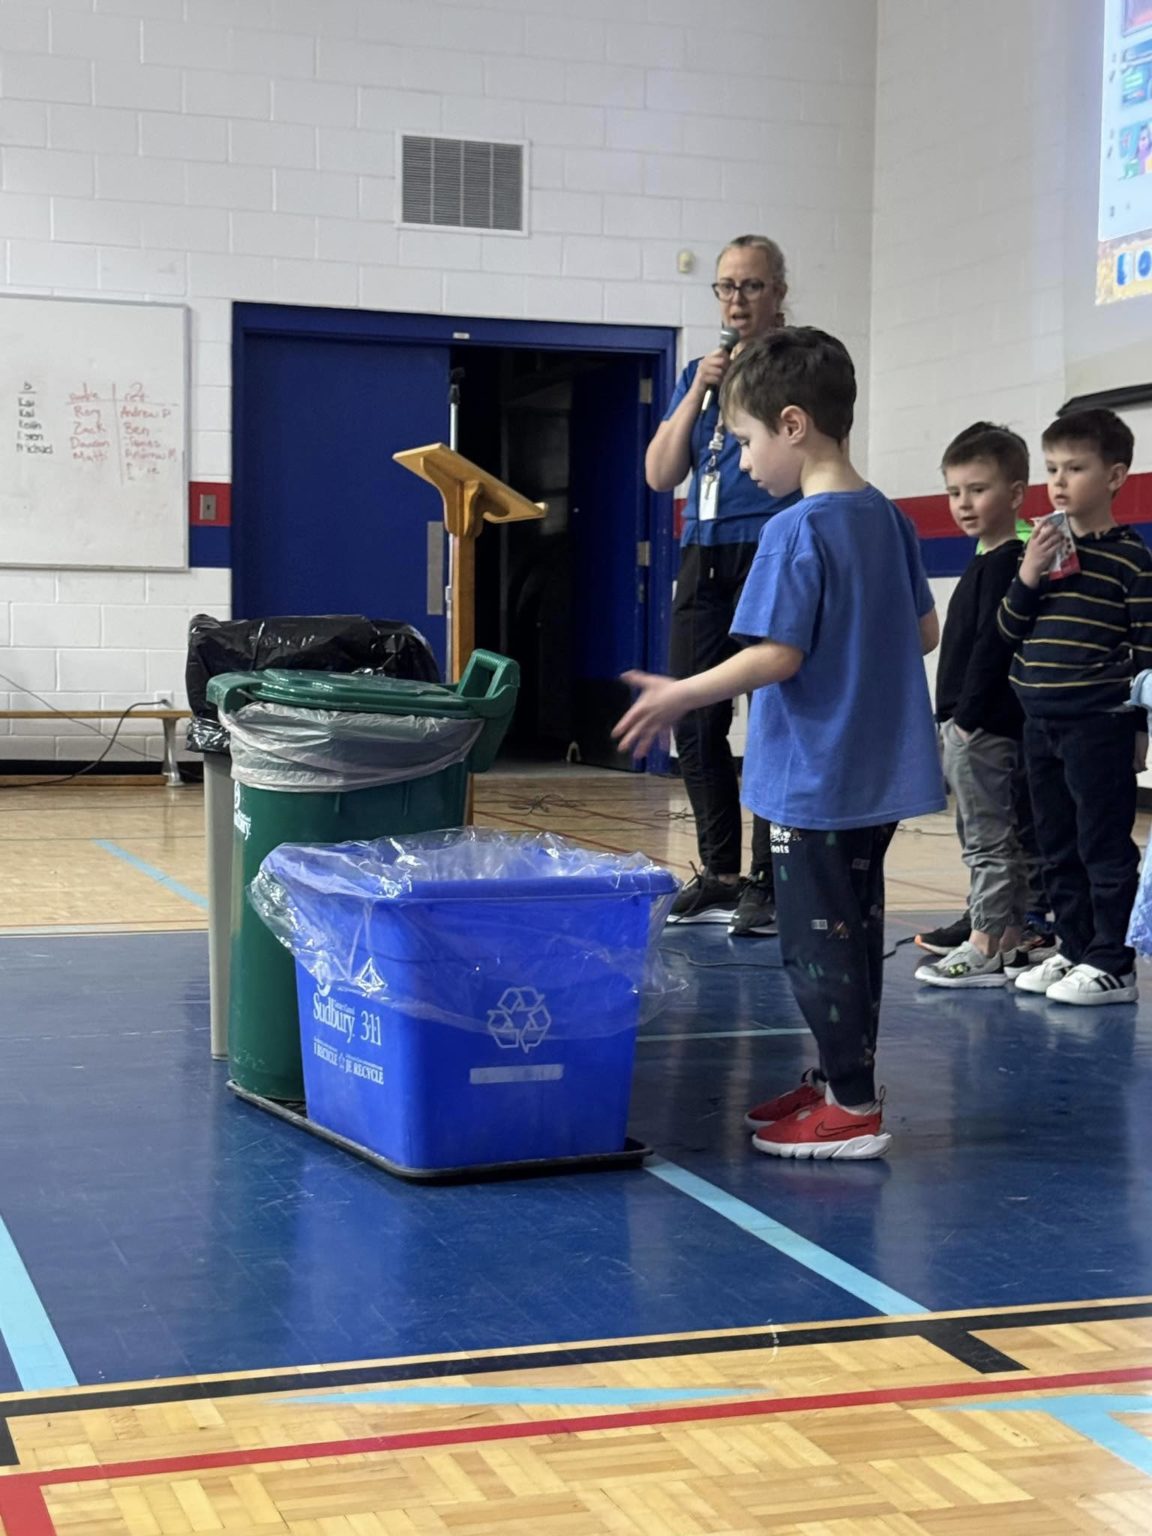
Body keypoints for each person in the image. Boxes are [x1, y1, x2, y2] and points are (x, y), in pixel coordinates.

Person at [616, 329, 944, 1159]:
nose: (746, 460)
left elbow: (779, 654)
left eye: (748, 440)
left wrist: (684, 691)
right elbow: (923, 631)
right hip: (877, 776)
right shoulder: (890, 520)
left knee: (812, 945)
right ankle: (842, 1083)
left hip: (818, 780)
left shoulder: (794, 532)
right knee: (855, 932)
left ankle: (854, 1111)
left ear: (793, 425)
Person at [645, 235, 800, 937]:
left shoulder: (796, 365)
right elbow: (659, 473)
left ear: (779, 292)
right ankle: (719, 870)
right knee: (695, 714)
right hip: (701, 552)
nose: (737, 300)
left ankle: (769, 877)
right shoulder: (696, 373)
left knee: (771, 713)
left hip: (768, 541)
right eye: (726, 288)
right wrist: (699, 392)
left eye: (752, 286)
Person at [998, 407, 1152, 1004]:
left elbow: (1146, 651)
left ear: (1114, 476)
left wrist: (1139, 730)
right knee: (1055, 844)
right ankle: (1075, 947)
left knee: (1102, 842)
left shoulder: (1131, 560)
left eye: (1076, 468)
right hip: (1040, 721)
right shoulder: (1040, 551)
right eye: (1052, 468)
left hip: (1099, 724)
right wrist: (1030, 575)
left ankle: (1114, 961)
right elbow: (1008, 631)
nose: (1059, 481)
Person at [914, 423, 1056, 988]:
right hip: (971, 722)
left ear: (1017, 493)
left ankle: (984, 946)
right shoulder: (987, 560)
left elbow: (993, 650)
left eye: (978, 489)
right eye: (954, 492)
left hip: (982, 728)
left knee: (987, 842)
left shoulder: (1011, 564)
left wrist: (965, 720)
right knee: (1003, 839)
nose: (964, 504)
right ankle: (1013, 940)